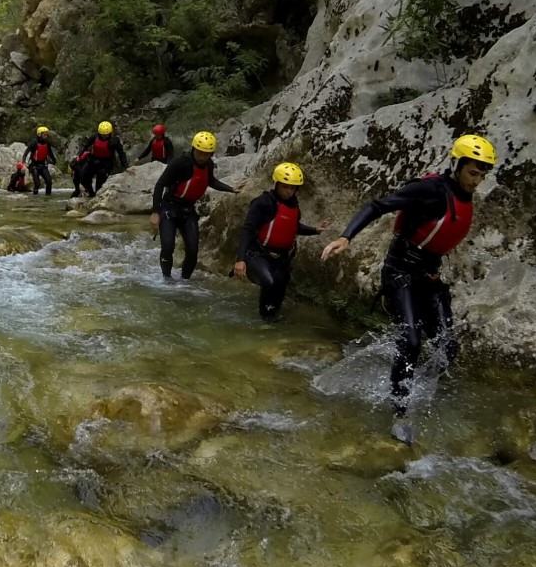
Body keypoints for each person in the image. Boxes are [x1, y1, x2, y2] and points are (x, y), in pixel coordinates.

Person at [320, 134, 498, 444]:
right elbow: (379, 205)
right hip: (400, 270)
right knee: (412, 342)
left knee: (448, 347)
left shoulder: (464, 195)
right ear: (456, 164)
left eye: (483, 174)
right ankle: (400, 413)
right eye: (473, 172)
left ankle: (419, 386)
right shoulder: (429, 191)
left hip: (428, 275)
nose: (477, 181)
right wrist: (346, 236)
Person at [233, 163, 330, 320]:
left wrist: (315, 230)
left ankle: (271, 322)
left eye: (293, 188)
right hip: (257, 254)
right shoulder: (263, 203)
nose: (289, 191)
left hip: (280, 258)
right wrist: (241, 260)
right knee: (268, 281)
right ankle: (264, 322)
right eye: (285, 187)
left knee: (280, 286)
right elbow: (247, 230)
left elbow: (292, 227)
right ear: (277, 184)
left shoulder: (294, 206)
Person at [150, 131, 240, 280]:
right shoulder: (180, 162)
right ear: (193, 149)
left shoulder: (208, 164)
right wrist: (155, 212)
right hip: (169, 208)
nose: (203, 156)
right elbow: (160, 185)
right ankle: (166, 279)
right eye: (200, 152)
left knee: (192, 250)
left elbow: (210, 181)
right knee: (168, 247)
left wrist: (231, 189)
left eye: (207, 153)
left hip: (188, 210)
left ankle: (185, 281)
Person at [79, 121, 129, 195]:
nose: (104, 136)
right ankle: (90, 193)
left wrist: (126, 166)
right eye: (102, 134)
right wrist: (78, 155)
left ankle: (97, 195)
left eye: (106, 134)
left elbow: (121, 153)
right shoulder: (95, 136)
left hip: (105, 165)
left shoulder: (114, 141)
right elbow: (85, 145)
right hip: (93, 161)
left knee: (99, 184)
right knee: (83, 176)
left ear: (110, 133)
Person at [22, 126, 58, 196]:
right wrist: (24, 163)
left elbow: (50, 153)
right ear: (39, 134)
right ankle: (35, 197)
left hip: (43, 165)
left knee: (49, 182)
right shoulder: (34, 143)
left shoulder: (47, 143)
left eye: (46, 134)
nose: (46, 136)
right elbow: (26, 153)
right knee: (37, 184)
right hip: (34, 166)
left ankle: (47, 198)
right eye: (44, 134)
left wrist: (54, 162)